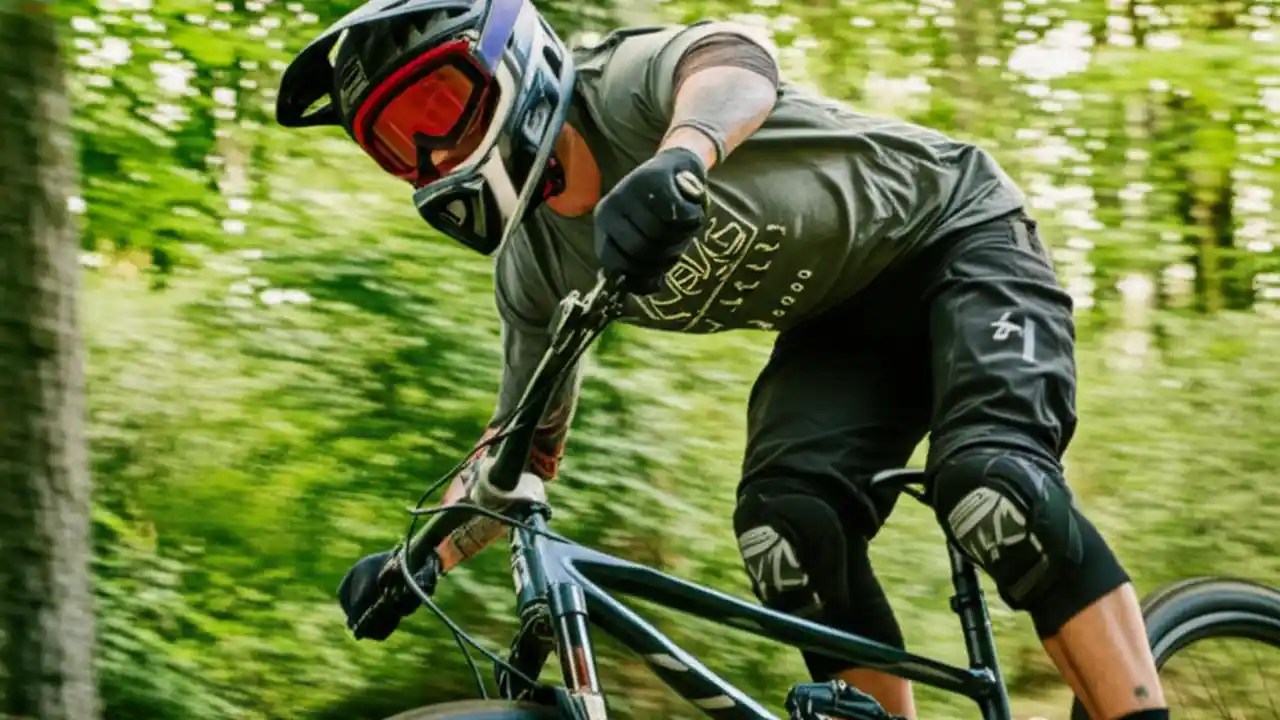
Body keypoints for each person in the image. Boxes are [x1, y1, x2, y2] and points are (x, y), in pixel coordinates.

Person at [276, 1, 1168, 718]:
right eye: (397, 143)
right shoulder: (534, 269)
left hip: (956, 234)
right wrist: (421, 556)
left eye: (436, 108)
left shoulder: (615, 85)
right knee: (782, 532)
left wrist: (683, 157)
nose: (432, 153)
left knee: (992, 491)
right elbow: (520, 454)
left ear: (508, 61)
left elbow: (735, 56)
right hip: (842, 322)